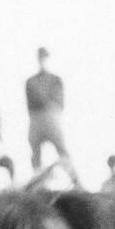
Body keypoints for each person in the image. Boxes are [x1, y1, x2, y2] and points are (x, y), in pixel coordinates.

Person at [25, 47, 76, 178]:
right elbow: (30, 105)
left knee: (62, 149)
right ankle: (38, 180)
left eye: (44, 57)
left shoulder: (55, 80)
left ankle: (74, 179)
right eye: (40, 57)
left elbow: (59, 102)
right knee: (35, 152)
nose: (42, 60)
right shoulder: (30, 81)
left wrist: (47, 103)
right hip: (37, 118)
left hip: (51, 117)